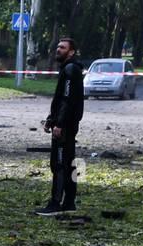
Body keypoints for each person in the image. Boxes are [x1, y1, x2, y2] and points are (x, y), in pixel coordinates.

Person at [38, 37, 85, 216]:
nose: (58, 49)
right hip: (66, 124)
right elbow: (61, 100)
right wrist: (51, 119)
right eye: (57, 46)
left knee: (59, 164)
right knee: (69, 163)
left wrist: (59, 123)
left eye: (62, 47)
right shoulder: (69, 69)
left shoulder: (70, 69)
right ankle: (69, 202)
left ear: (71, 52)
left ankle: (56, 203)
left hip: (65, 127)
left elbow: (67, 99)